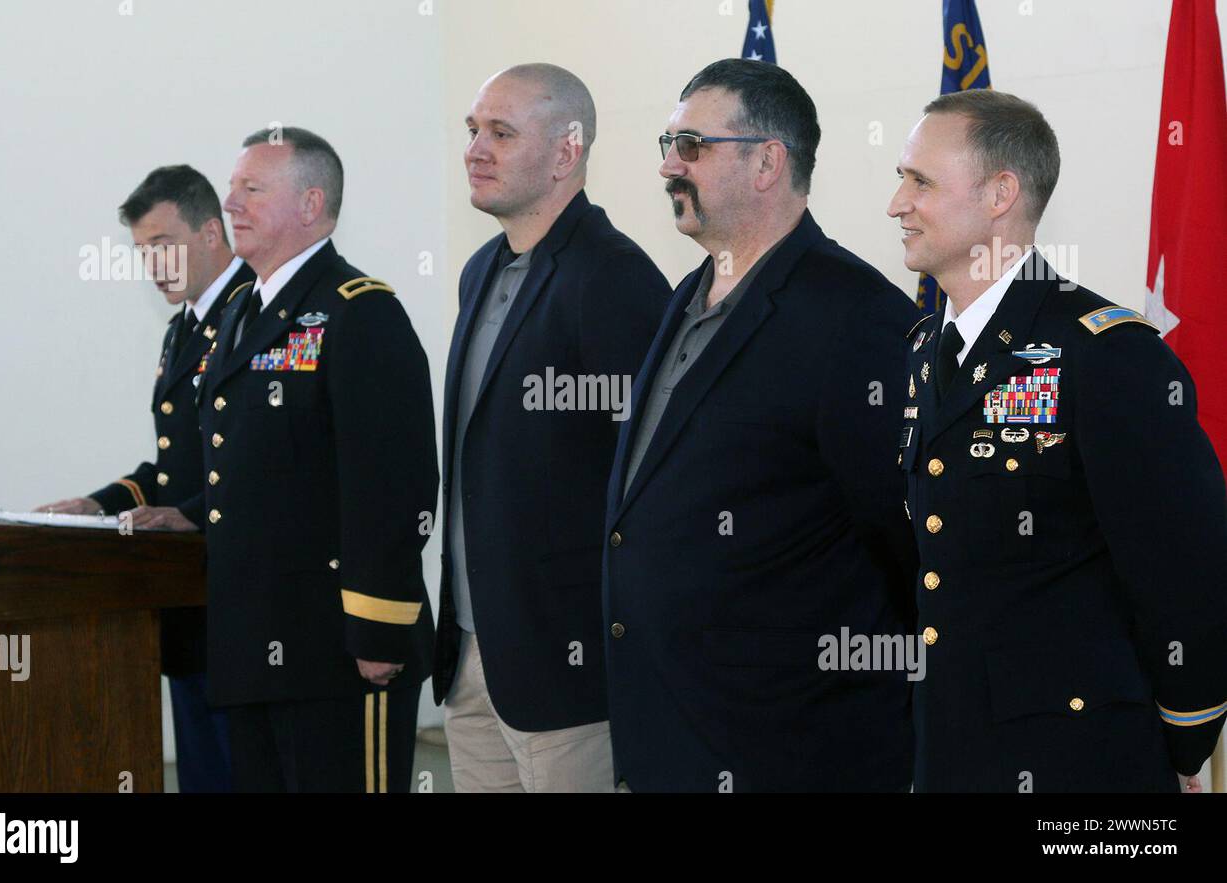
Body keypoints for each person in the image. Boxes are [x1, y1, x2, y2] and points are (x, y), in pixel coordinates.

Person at [887, 88, 1227, 792]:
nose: (897, 204)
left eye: (919, 180)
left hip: (1082, 758)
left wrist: (1179, 737)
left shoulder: (1104, 352)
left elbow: (1186, 568)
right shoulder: (925, 350)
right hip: (953, 750)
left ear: (1000, 193)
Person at [603, 59, 919, 792]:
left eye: (691, 146)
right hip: (668, 732)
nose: (666, 167)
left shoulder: (856, 317)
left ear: (768, 162)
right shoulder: (687, 292)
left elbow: (902, 538)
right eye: (666, 143)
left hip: (789, 744)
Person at [434, 63, 670, 792]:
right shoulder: (480, 269)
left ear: (567, 151)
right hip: (473, 653)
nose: (475, 148)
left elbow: (650, 482)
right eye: (473, 130)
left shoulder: (614, 277)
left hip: (565, 664)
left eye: (500, 133)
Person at [191, 126, 438, 792]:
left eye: (253, 188)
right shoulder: (244, 309)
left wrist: (378, 631)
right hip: (253, 643)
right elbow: (242, 472)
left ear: (310, 203)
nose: (230, 203)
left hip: (339, 648)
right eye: (231, 187)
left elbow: (394, 483)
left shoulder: (360, 313)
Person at [41, 164, 252, 792]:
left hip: (242, 595)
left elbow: (265, 465)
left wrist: (187, 510)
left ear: (211, 232)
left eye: (162, 245)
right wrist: (97, 504)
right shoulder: (181, 331)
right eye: (141, 252)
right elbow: (174, 464)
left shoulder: (255, 315)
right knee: (203, 774)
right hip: (188, 594)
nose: (152, 265)